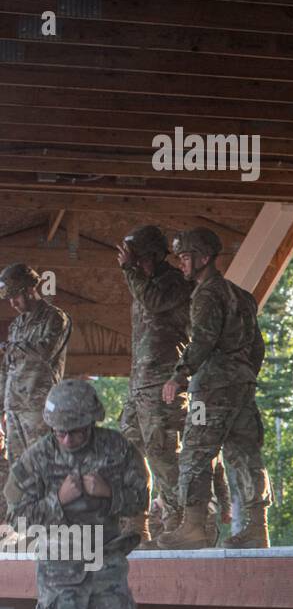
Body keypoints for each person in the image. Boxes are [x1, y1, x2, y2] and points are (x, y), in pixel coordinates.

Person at [3, 380, 147, 609]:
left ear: (91, 422)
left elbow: (141, 497)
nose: (67, 440)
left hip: (106, 564)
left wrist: (109, 493)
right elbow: (15, 518)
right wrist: (58, 500)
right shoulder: (37, 457)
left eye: (76, 432)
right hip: (60, 571)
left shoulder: (117, 448)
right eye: (60, 433)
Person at [158, 228, 271, 549]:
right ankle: (257, 528)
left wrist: (179, 375)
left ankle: (193, 527)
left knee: (195, 450)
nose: (181, 264)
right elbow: (257, 346)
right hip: (241, 386)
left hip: (211, 389)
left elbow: (203, 340)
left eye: (185, 257)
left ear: (204, 258)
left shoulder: (207, 294)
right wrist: (244, 374)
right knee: (245, 453)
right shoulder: (242, 295)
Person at [116, 224, 193, 547]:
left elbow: (154, 302)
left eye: (139, 257)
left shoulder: (173, 281)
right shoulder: (142, 282)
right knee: (128, 452)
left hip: (163, 382)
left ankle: (180, 521)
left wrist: (129, 271)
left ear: (154, 255)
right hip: (140, 384)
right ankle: (136, 525)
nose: (134, 262)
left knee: (163, 453)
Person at [0, 262, 72, 531]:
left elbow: (44, 352)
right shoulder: (16, 325)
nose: (13, 304)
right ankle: (25, 527)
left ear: (31, 289)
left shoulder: (55, 318)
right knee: (19, 469)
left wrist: (10, 348)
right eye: (9, 298)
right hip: (14, 407)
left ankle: (53, 526)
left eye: (16, 296)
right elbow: (6, 368)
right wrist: (2, 407)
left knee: (46, 465)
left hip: (39, 407)